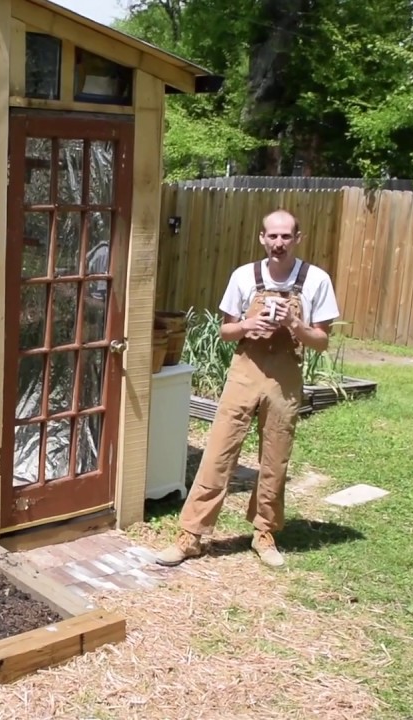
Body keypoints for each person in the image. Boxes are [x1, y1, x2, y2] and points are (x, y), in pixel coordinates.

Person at [155, 209, 340, 568]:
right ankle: (190, 535)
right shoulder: (244, 276)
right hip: (244, 371)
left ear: (297, 239)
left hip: (285, 376)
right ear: (261, 238)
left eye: (286, 236)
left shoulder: (316, 279)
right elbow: (226, 331)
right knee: (219, 451)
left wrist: (295, 324)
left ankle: (264, 532)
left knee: (275, 455)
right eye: (272, 236)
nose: (279, 243)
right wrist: (248, 325)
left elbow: (321, 341)